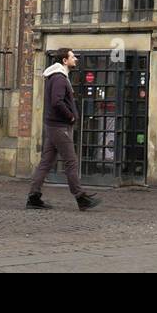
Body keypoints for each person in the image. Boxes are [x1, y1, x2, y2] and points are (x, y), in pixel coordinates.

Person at [26, 48, 100, 211]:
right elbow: (57, 102)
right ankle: (81, 197)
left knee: (46, 163)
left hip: (54, 126)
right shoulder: (59, 78)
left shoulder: (57, 77)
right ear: (65, 61)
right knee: (71, 161)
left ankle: (33, 197)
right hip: (60, 127)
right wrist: (70, 116)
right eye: (73, 57)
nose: (76, 59)